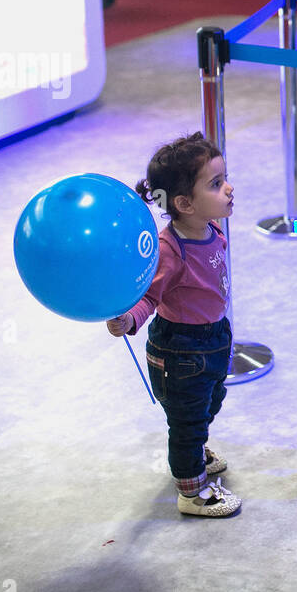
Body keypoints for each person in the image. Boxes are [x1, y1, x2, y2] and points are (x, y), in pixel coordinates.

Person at [106, 132, 241, 517]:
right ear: (183, 203)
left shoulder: (212, 228)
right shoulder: (169, 248)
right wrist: (128, 319)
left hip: (213, 337)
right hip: (180, 349)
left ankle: (195, 450)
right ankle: (193, 492)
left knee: (211, 402)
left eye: (225, 177)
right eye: (216, 184)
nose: (229, 188)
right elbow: (149, 296)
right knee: (186, 422)